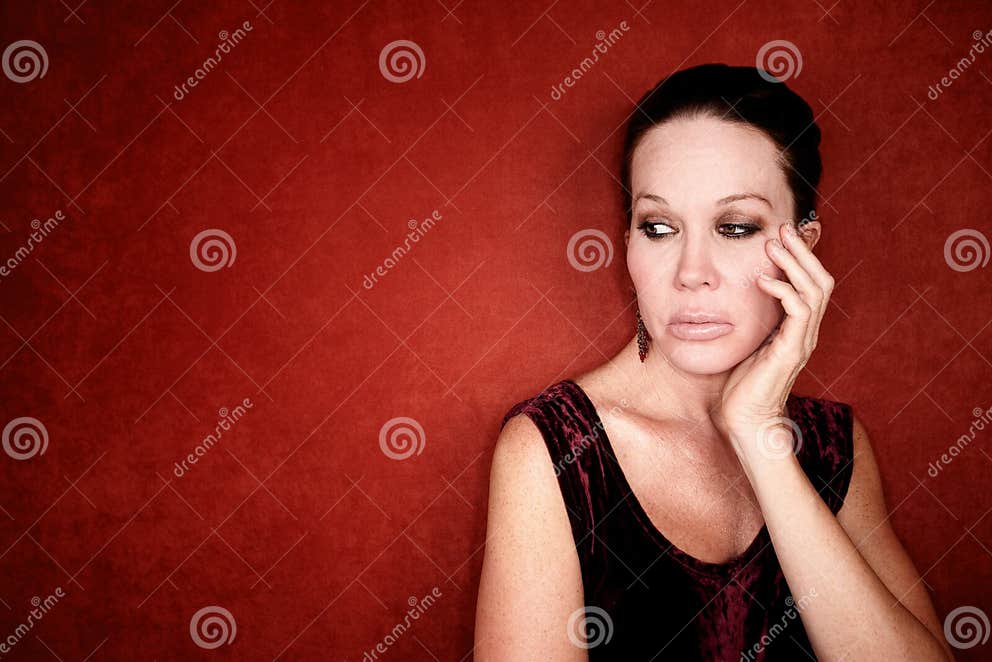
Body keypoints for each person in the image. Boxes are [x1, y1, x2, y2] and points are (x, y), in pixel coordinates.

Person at [473, 63, 954, 661]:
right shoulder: (553, 447)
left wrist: (758, 435)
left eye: (735, 227)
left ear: (803, 249)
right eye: (658, 227)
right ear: (627, 243)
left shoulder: (832, 445)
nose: (691, 272)